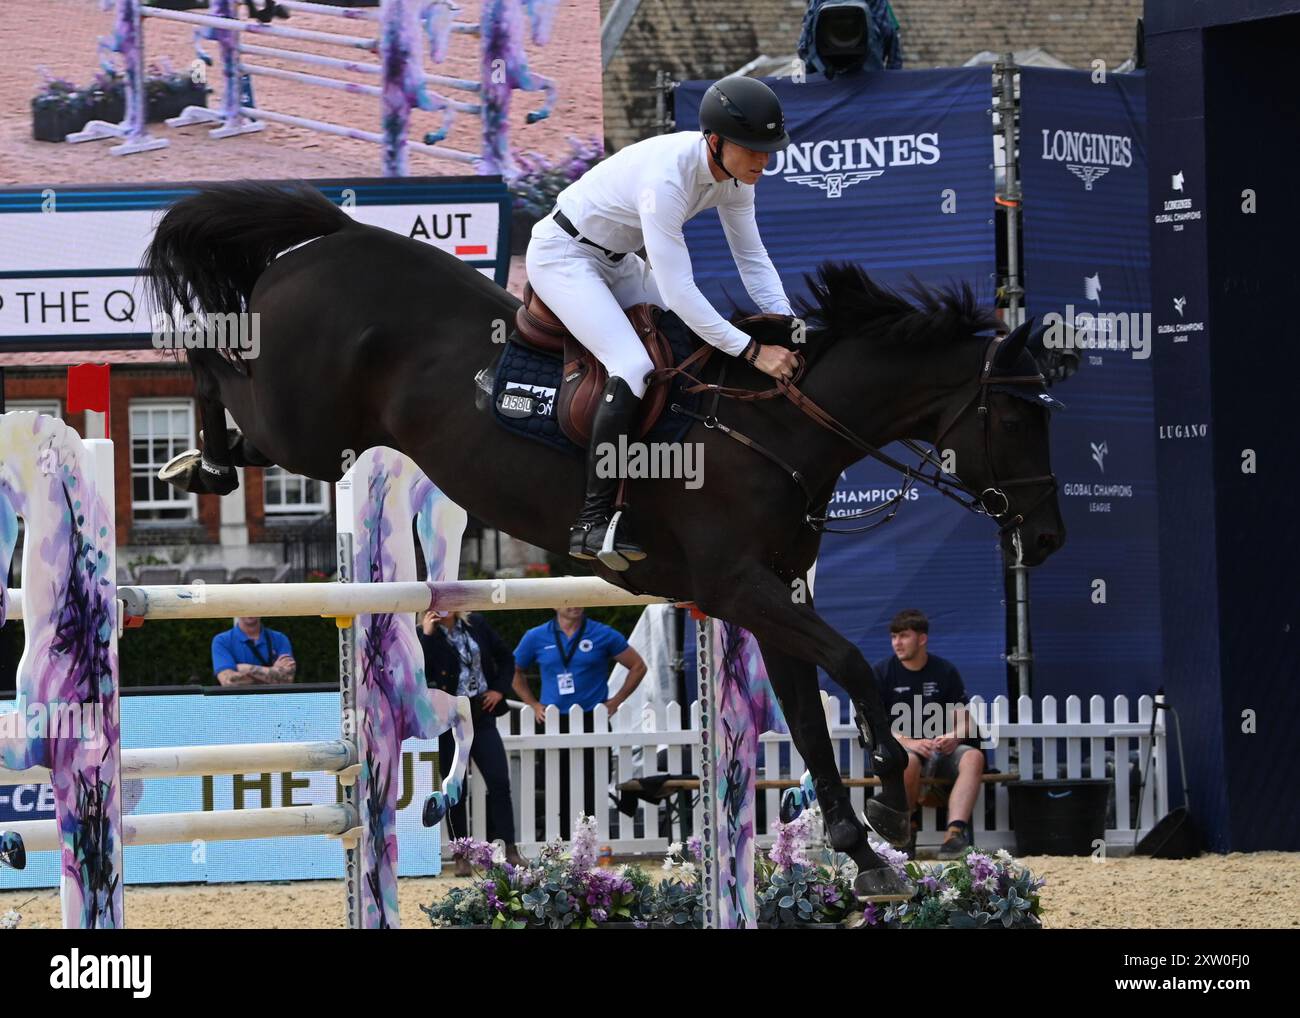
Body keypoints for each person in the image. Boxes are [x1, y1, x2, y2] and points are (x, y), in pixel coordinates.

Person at [525, 75, 801, 567]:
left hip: (616, 260)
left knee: (681, 347)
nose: (765, 160)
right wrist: (753, 351)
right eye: (754, 148)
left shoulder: (736, 179)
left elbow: (752, 259)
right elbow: (679, 289)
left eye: (769, 148)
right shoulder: (668, 178)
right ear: (715, 141)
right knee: (632, 365)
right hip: (563, 255)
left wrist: (788, 326)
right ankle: (591, 521)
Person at [512, 605, 647, 838]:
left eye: (578, 598)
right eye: (567, 599)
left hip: (592, 717)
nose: (573, 605)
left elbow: (638, 666)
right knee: (556, 782)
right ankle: (560, 839)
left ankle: (591, 839)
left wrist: (615, 701)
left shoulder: (602, 633)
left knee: (595, 781)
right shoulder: (536, 636)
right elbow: (513, 671)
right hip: (554, 720)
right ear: (554, 604)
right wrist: (532, 704)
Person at [418, 609, 524, 875]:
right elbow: (418, 673)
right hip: (449, 719)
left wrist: (499, 689)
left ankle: (509, 848)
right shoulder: (423, 634)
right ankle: (461, 854)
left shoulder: (475, 624)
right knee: (455, 788)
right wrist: (428, 636)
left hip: (482, 714)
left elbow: (506, 658)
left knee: (499, 781)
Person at [873, 609, 985, 859]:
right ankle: (907, 831)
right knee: (908, 760)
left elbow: (966, 722)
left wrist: (954, 736)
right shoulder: (881, 673)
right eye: (893, 637)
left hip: (941, 754)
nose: (897, 643)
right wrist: (909, 742)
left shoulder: (944, 671)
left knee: (973, 757)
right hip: (902, 754)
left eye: (904, 636)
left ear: (922, 639)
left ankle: (954, 835)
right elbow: (875, 724)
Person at [211, 585, 296, 686]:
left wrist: (244, 668)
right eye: (244, 604)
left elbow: (287, 679)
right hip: (240, 701)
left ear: (262, 605)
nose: (250, 608)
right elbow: (228, 681)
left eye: (254, 603)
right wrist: (273, 672)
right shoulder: (221, 640)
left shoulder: (280, 638)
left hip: (273, 701)